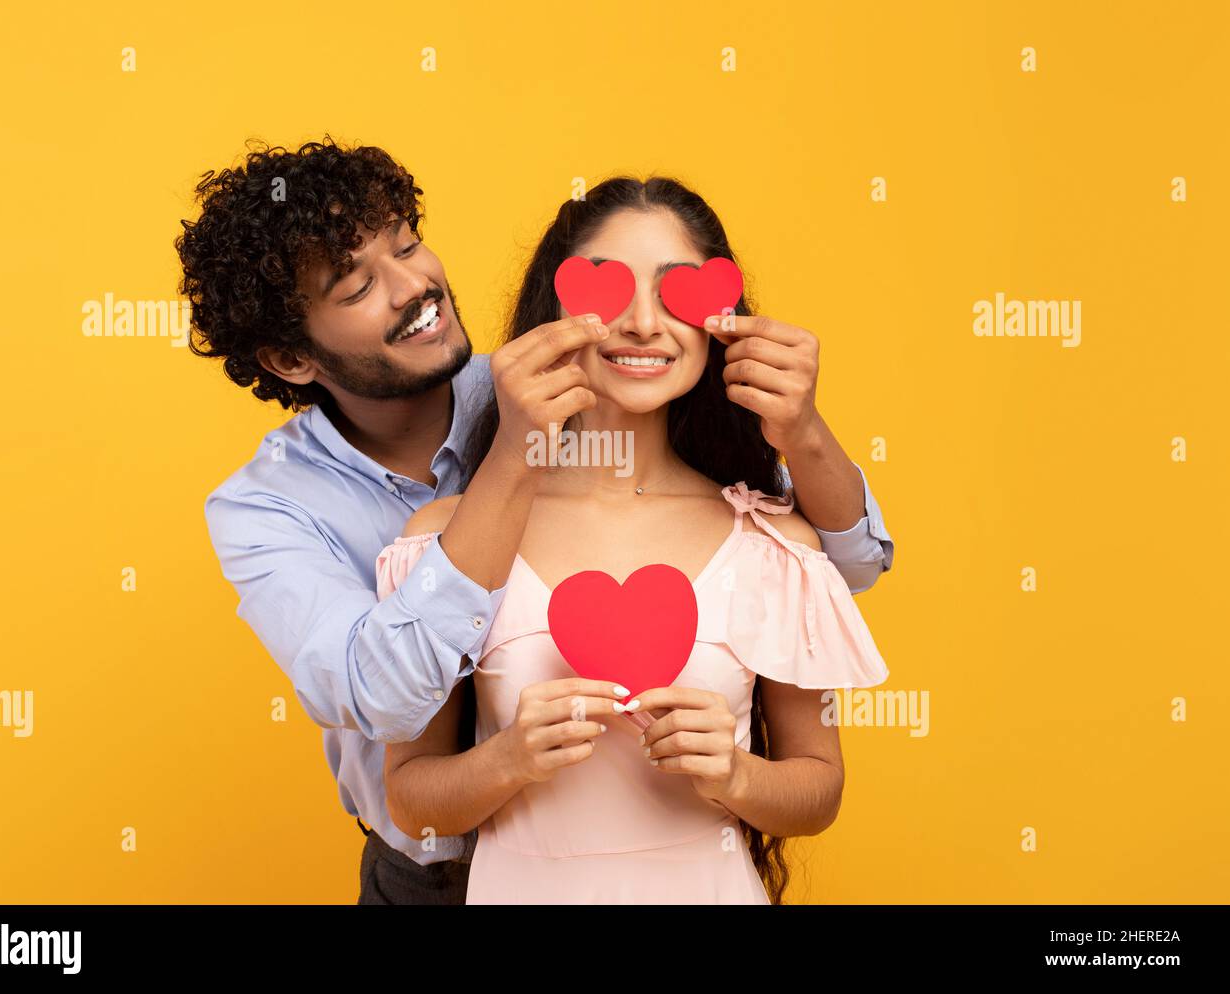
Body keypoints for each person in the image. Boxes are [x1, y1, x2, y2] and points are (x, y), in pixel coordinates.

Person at [179, 139, 892, 905]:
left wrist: (805, 432)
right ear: (292, 360)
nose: (413, 286)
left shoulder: (573, 386)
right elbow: (386, 702)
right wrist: (516, 458)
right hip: (425, 871)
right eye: (356, 288)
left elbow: (844, 564)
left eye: (409, 244)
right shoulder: (272, 507)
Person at [380, 177, 890, 904]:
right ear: (552, 312)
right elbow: (411, 796)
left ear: (720, 323)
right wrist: (509, 759)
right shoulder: (447, 540)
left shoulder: (771, 539)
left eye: (679, 293)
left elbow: (820, 789)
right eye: (608, 291)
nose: (644, 323)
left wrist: (735, 774)